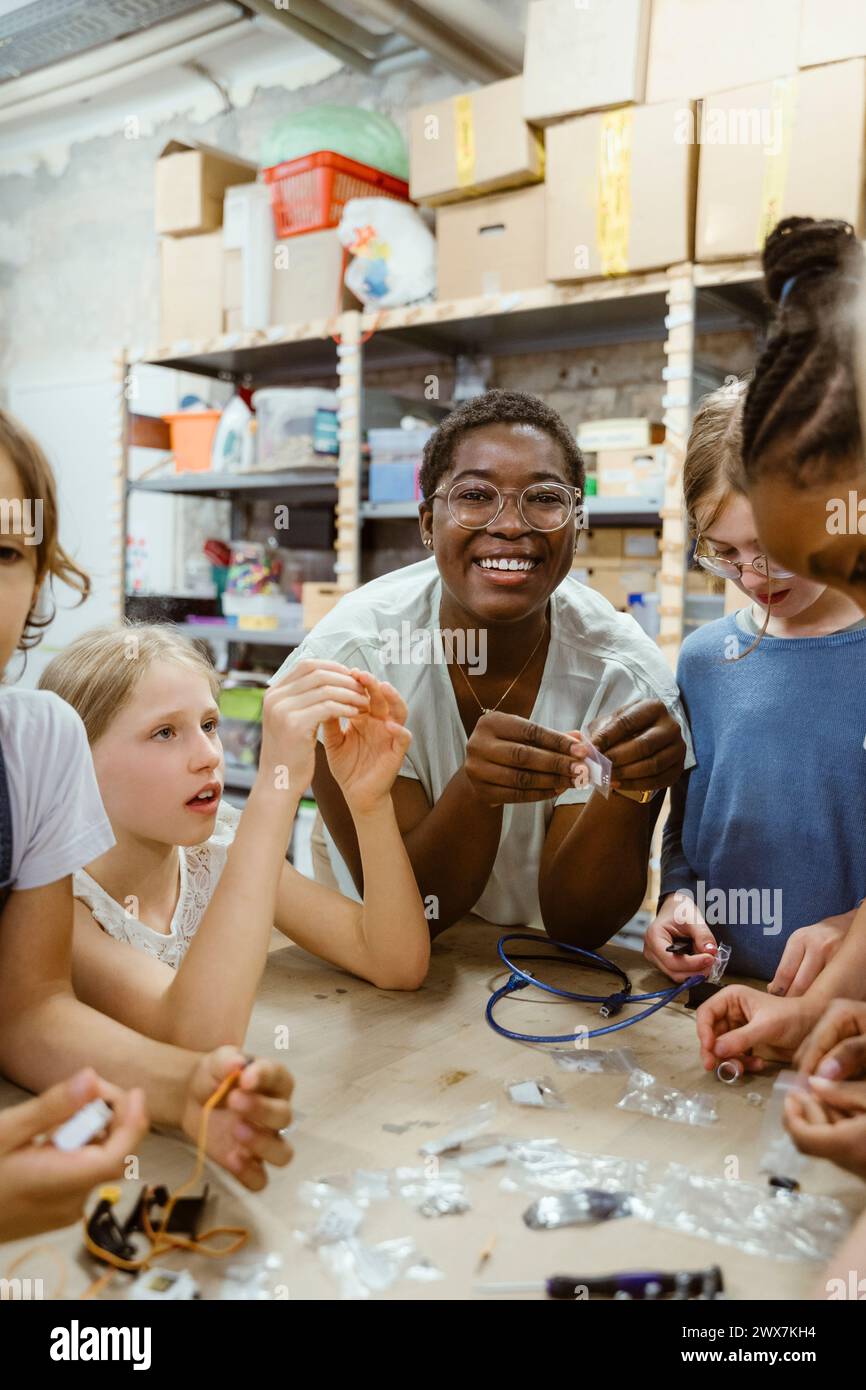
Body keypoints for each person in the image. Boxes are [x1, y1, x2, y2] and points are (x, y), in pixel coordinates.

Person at [272, 390, 693, 945]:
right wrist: (476, 792)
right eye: (475, 495)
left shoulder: (626, 676)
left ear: (577, 523)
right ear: (428, 523)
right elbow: (416, 912)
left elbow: (578, 927)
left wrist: (630, 790)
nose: (511, 525)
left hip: (534, 955)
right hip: (373, 945)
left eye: (544, 498)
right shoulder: (352, 662)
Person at [0, 408, 292, 1198]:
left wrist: (184, 1089)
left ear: (38, 582)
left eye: (5, 551)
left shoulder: (31, 745)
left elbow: (28, 1012)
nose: (202, 752)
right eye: (163, 732)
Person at [37, 624, 429, 1052]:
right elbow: (193, 1034)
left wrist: (369, 803)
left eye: (208, 725)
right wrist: (275, 791)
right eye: (164, 733)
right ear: (74, 760)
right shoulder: (57, 903)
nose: (209, 756)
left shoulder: (217, 847)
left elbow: (395, 963)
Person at [644, 380, 866, 989]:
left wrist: (852, 930)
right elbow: (688, 822)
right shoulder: (704, 659)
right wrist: (675, 900)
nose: (754, 575)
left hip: (843, 1016)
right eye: (725, 553)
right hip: (721, 995)